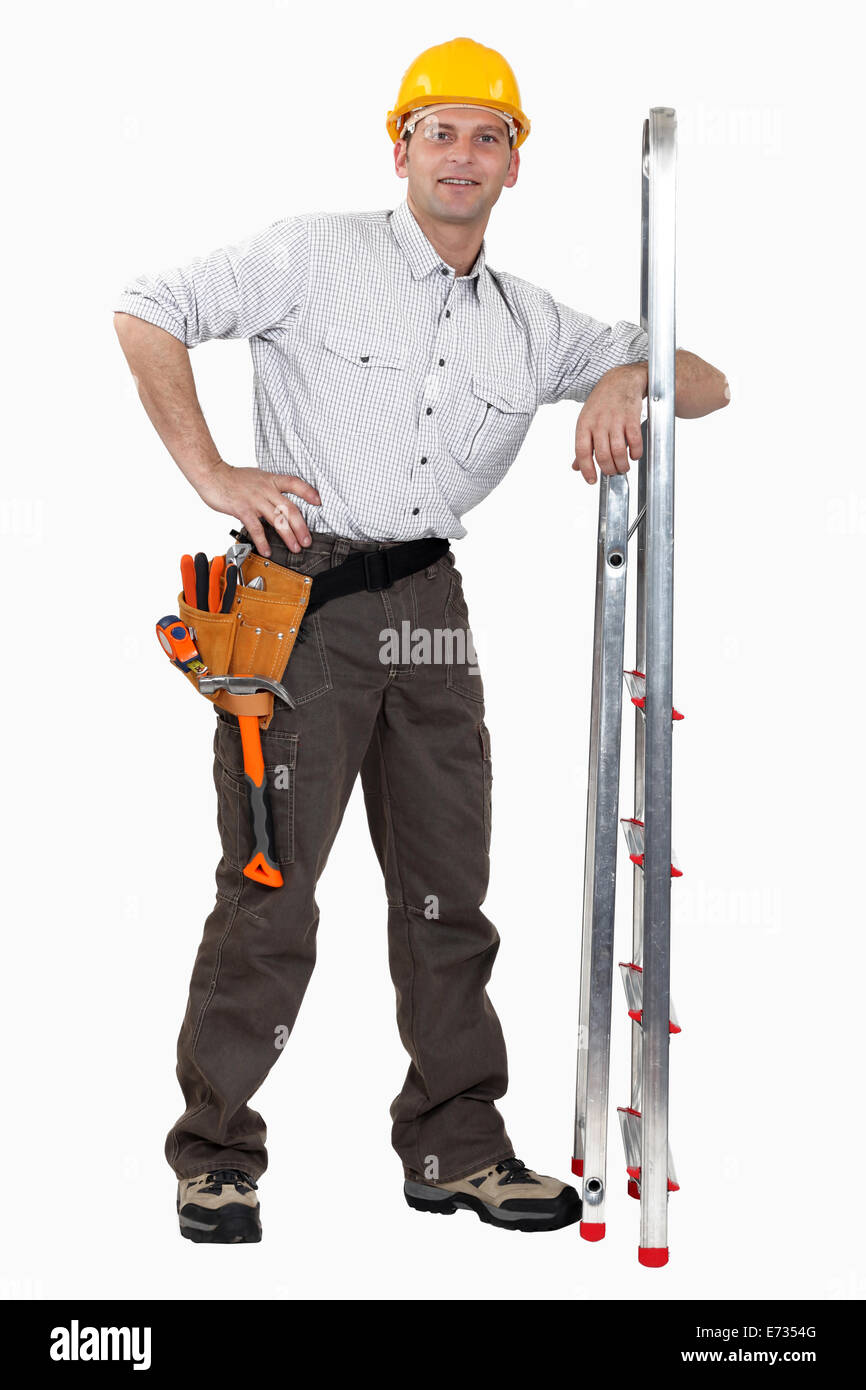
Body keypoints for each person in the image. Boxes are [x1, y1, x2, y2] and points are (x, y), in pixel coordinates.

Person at [113, 36, 729, 1245]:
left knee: (449, 889)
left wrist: (627, 374)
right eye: (439, 131)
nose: (461, 154)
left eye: (486, 136)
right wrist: (212, 471)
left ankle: (454, 1144)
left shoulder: (527, 320)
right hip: (297, 607)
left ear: (513, 166)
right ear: (399, 147)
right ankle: (215, 1153)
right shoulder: (311, 255)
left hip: (430, 612)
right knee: (270, 885)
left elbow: (707, 382)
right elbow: (146, 310)